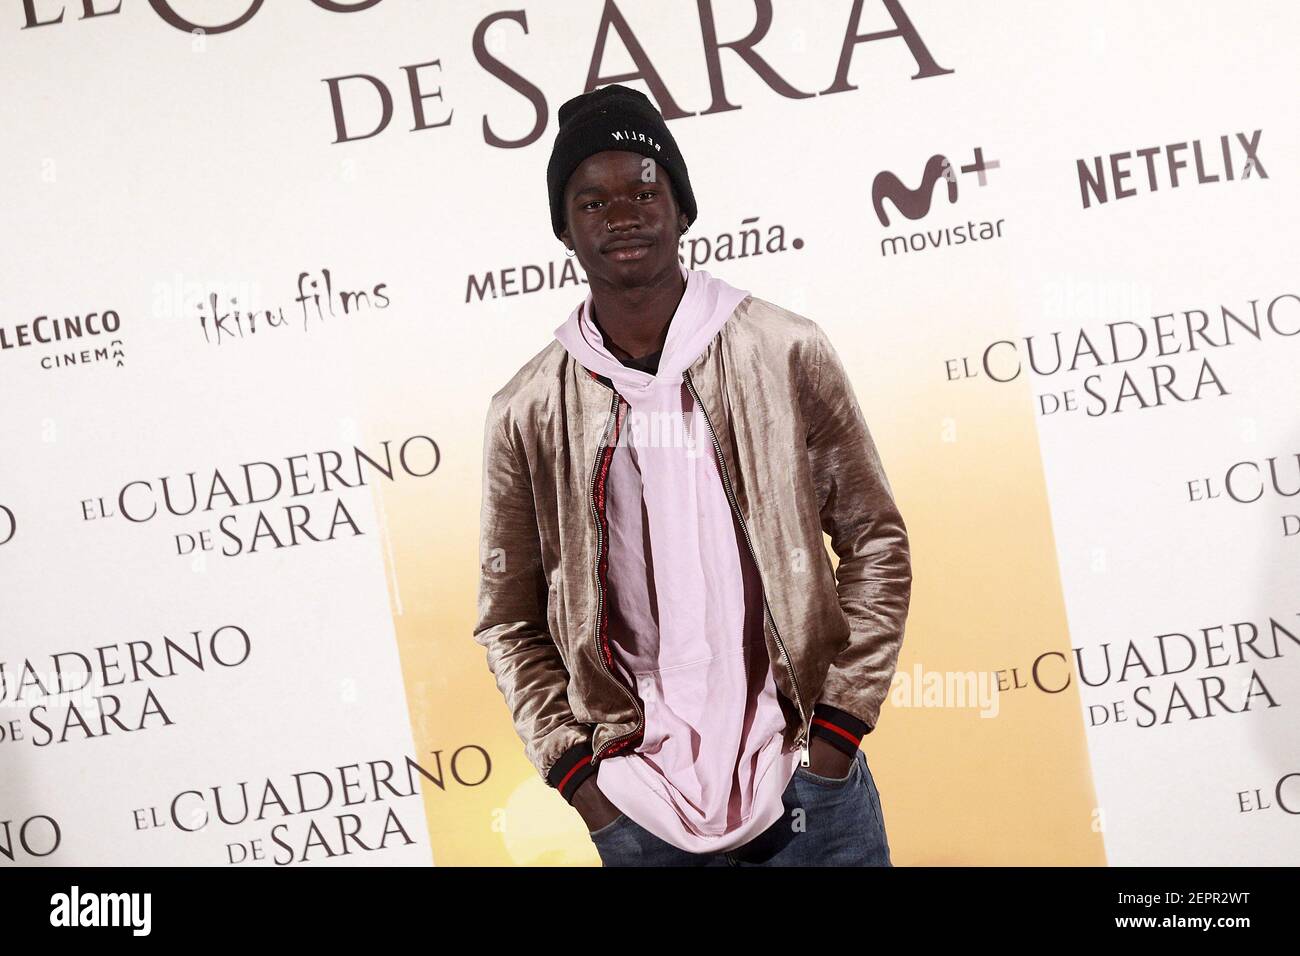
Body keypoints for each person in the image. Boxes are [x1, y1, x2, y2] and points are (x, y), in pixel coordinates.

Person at [473, 84, 912, 866]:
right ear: (565, 231)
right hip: (639, 810)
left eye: (646, 190)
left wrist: (836, 735)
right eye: (593, 201)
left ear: (681, 208)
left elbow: (876, 540)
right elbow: (510, 620)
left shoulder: (783, 350)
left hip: (808, 783)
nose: (624, 214)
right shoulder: (527, 409)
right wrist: (583, 782)